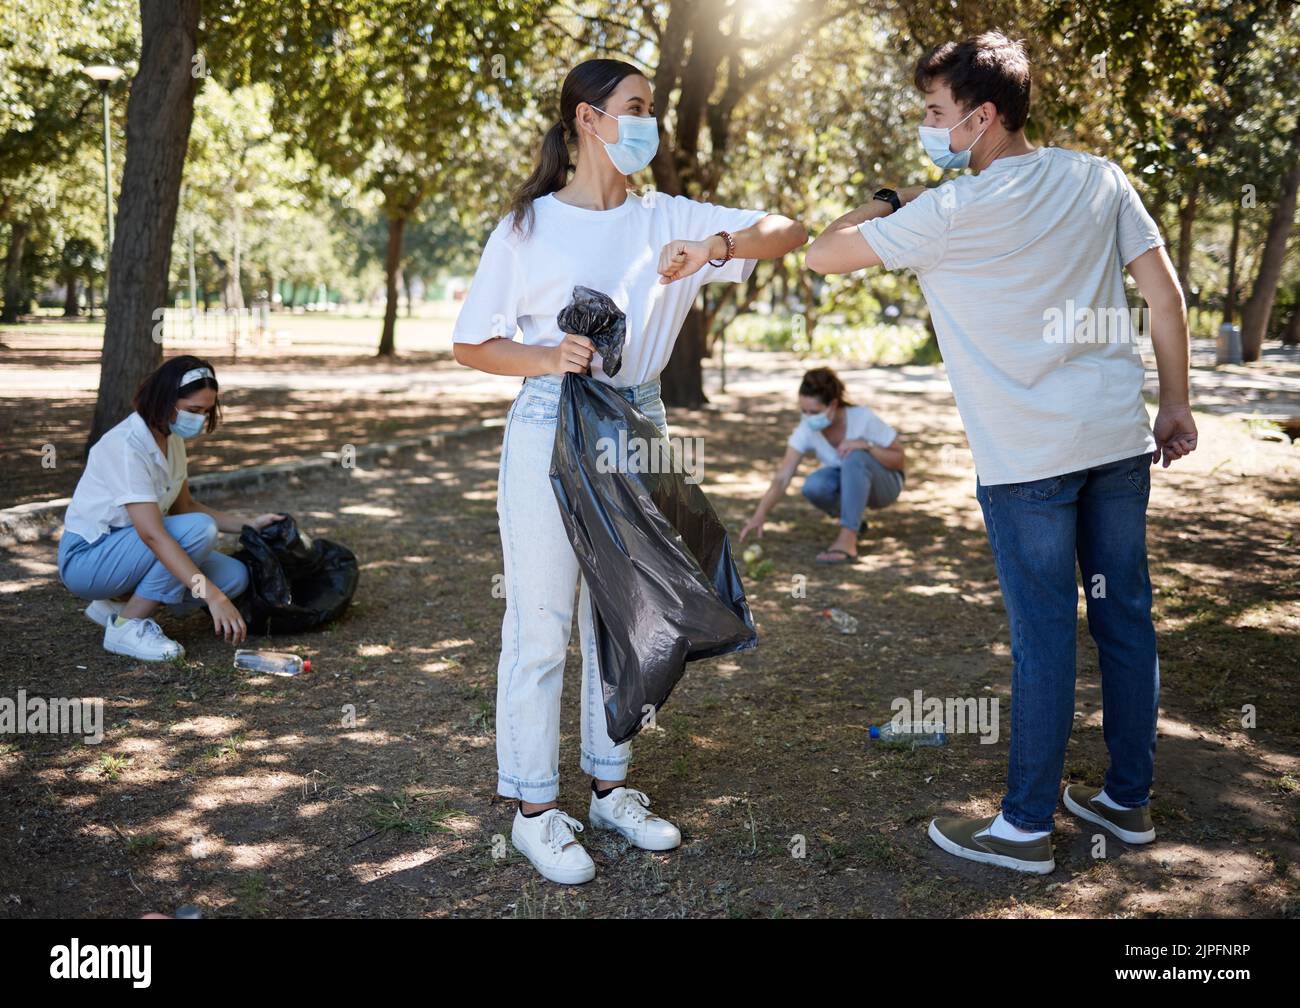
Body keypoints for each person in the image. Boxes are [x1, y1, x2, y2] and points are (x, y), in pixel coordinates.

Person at [807, 31, 1197, 874]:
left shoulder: (944, 215)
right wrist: (1175, 401)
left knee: (1047, 634)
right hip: (1116, 442)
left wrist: (884, 202)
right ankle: (1127, 804)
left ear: (982, 117)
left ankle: (1024, 831)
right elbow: (1164, 297)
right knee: (1126, 617)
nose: (926, 125)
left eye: (935, 112)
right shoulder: (1100, 177)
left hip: (1030, 464)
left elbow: (819, 252)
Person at [452, 57, 806, 885]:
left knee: (628, 614)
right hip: (551, 418)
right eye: (636, 107)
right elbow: (471, 342)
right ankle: (536, 811)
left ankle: (610, 788)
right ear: (587, 118)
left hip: (639, 425)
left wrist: (714, 245)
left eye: (651, 108)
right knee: (541, 624)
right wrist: (546, 353)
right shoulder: (527, 227)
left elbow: (788, 228)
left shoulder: (668, 219)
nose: (648, 121)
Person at [57, 356, 284, 661]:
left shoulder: (171, 439)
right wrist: (212, 597)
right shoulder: (126, 446)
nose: (200, 419)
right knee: (199, 530)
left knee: (234, 576)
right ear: (166, 400)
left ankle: (118, 604)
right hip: (88, 559)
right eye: (193, 410)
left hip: (129, 551)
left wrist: (250, 525)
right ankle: (127, 625)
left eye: (205, 411)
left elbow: (184, 506)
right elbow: (153, 535)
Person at [739, 366, 905, 563]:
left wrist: (866, 446)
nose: (808, 417)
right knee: (815, 486)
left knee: (855, 456)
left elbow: (899, 460)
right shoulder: (807, 429)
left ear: (833, 405)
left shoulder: (862, 418)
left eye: (814, 412)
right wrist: (760, 514)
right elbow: (782, 477)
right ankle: (855, 523)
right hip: (850, 481)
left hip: (886, 483)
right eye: (804, 411)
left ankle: (847, 541)